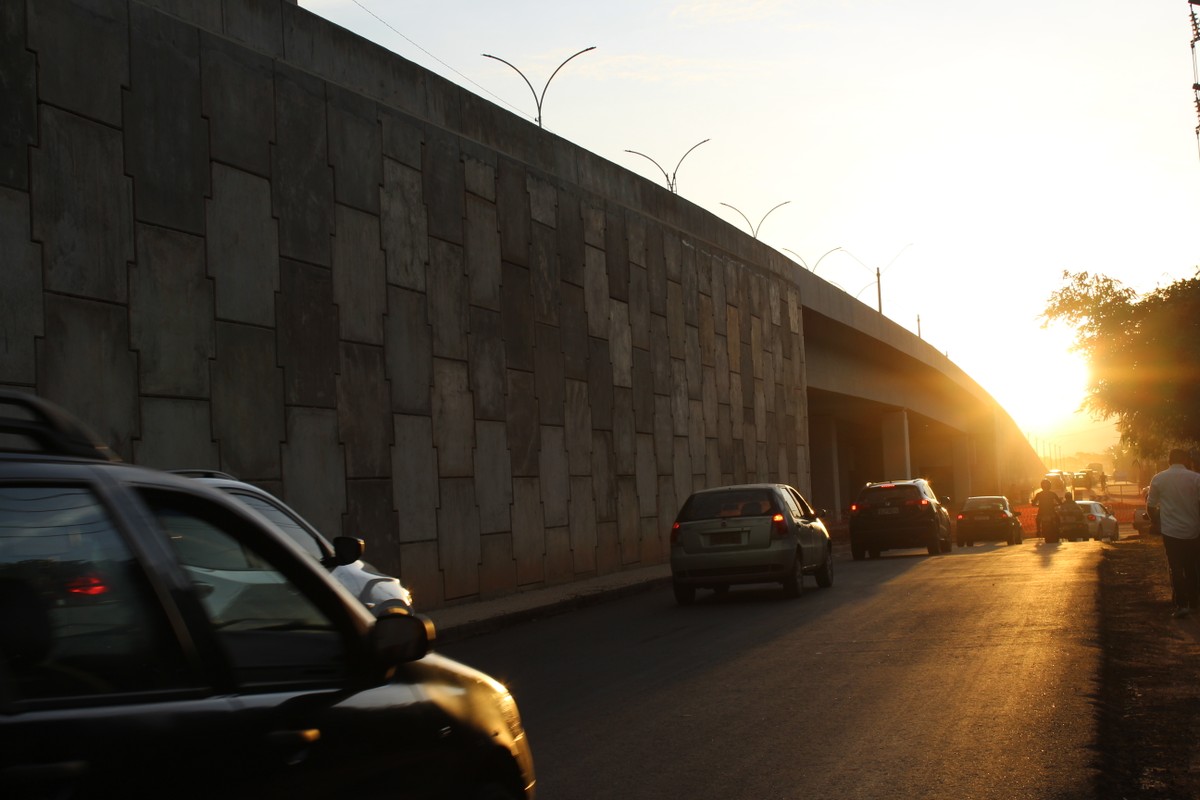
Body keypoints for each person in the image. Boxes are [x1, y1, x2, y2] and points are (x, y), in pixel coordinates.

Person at [1147, 449, 1200, 618]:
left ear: (1169, 460)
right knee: (1191, 567)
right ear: (1184, 459)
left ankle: (1181, 605)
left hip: (1170, 532)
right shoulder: (1195, 478)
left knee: (1175, 568)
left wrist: (1157, 523)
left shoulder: (1159, 479)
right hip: (1193, 530)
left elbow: (1151, 506)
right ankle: (1194, 603)